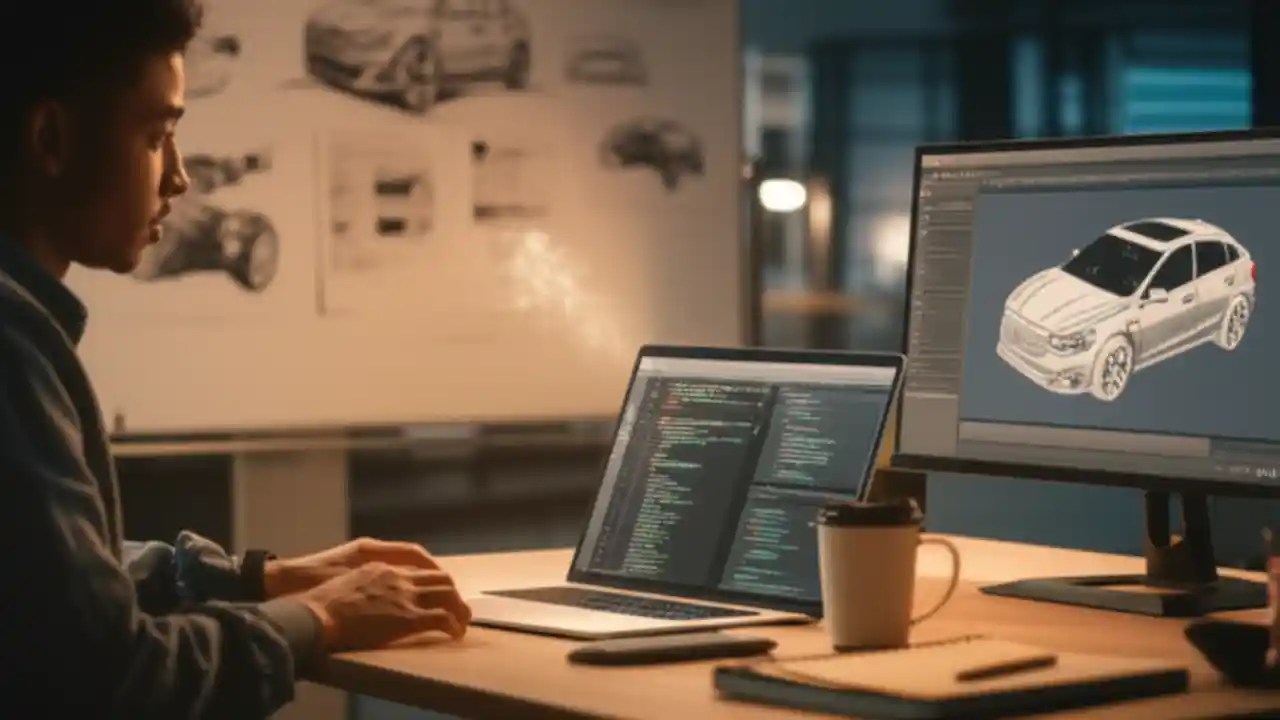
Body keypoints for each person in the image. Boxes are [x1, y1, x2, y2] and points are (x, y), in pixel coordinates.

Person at [0, 1, 472, 717]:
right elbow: (111, 682)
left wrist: (261, 581)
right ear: (51, 137)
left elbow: (46, 579)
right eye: (158, 135)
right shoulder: (10, 347)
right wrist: (321, 618)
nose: (179, 177)